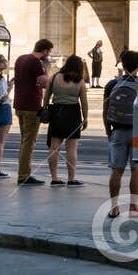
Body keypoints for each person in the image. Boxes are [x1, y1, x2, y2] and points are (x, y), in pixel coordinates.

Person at [103, 50, 138, 218]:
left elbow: (105, 110)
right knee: (137, 170)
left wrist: (108, 131)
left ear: (122, 64)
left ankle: (114, 207)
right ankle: (133, 206)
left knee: (116, 170)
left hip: (117, 130)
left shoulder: (112, 84)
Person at [44, 54, 89, 186]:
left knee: (54, 147)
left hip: (57, 112)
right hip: (73, 113)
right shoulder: (80, 82)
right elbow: (84, 102)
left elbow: (46, 97)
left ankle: (54, 178)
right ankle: (71, 178)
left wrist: (45, 110)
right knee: (72, 149)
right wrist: (85, 118)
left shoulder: (54, 78)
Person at [13, 39, 52, 185]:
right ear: (45, 51)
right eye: (48, 52)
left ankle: (23, 173)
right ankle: (23, 175)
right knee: (28, 143)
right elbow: (45, 83)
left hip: (19, 105)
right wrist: (46, 68)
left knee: (24, 141)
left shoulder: (20, 59)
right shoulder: (35, 62)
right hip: (31, 107)